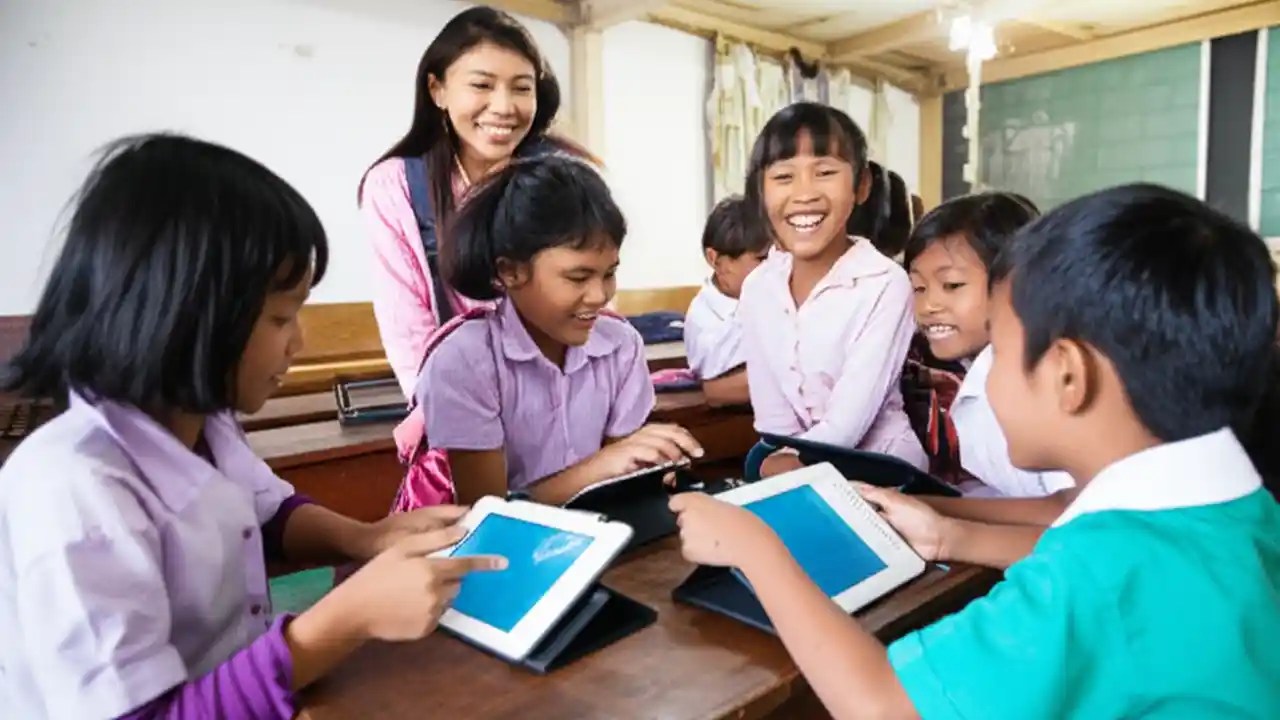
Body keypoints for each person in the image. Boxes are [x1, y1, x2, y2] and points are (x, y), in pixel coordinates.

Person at [671, 183, 1280, 718]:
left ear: (1068, 375)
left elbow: (883, 706)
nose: (984, 383)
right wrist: (945, 531)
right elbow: (1068, 509)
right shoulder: (1246, 516)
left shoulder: (1093, 573)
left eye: (1002, 357)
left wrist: (757, 548)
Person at [0, 134, 505, 719]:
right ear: (187, 315)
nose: (299, 341)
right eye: (281, 317)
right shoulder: (74, 487)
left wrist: (365, 538)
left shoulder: (203, 423)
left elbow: (265, 517)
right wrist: (347, 620)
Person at [411, 154, 702, 506]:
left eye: (609, 273)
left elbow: (619, 489)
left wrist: (648, 466)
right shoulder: (464, 360)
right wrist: (601, 466)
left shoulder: (621, 346)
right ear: (511, 272)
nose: (600, 296)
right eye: (578, 277)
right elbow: (484, 515)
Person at [358, 6, 590, 397]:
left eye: (521, 87)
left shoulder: (564, 175)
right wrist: (448, 418)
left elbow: (589, 297)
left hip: (562, 392)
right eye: (482, 85)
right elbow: (409, 334)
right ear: (438, 90)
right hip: (461, 402)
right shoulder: (394, 187)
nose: (503, 106)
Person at [738, 103, 926, 479]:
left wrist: (787, 467)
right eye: (783, 177)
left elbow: (847, 427)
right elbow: (774, 421)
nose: (804, 194)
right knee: (755, 463)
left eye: (824, 172)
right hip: (794, 456)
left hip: (879, 465)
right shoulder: (758, 287)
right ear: (761, 190)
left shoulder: (885, 283)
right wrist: (778, 458)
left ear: (861, 187)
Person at [904, 191, 1072, 498]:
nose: (928, 305)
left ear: (1017, 280)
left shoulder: (1039, 380)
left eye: (952, 285)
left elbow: (1071, 510)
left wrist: (942, 522)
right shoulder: (971, 374)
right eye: (918, 288)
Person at [684, 195, 769, 407]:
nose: (776, 266)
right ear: (715, 260)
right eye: (762, 259)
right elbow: (718, 392)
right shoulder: (705, 321)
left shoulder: (771, 295)